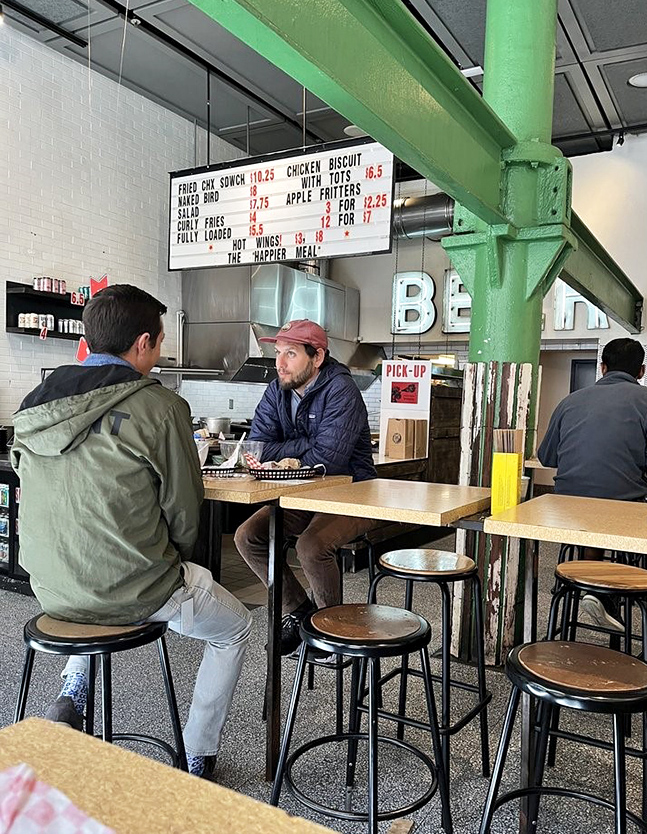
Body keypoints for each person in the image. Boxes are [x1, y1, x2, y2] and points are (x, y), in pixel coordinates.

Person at [11, 284, 251, 779]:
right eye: (160, 343)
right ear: (143, 343)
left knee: (92, 579)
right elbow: (186, 509)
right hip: (135, 589)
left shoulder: (35, 404)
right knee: (235, 628)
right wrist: (177, 561)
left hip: (50, 589)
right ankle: (197, 754)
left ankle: (74, 689)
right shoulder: (161, 407)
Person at [234, 318, 377, 656]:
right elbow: (256, 447)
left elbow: (329, 459)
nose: (280, 363)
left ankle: (330, 626)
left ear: (317, 357)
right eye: (278, 353)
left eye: (291, 354)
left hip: (353, 492)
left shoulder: (342, 390)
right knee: (248, 537)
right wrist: (302, 449)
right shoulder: (276, 390)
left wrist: (286, 452)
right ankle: (300, 613)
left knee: (311, 546)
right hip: (303, 492)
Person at [538, 337, 647, 629]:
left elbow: (546, 457)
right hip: (624, 509)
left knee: (596, 514)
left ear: (602, 367)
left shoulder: (570, 401)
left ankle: (589, 585)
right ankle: (609, 592)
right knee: (629, 511)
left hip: (569, 510)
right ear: (641, 371)